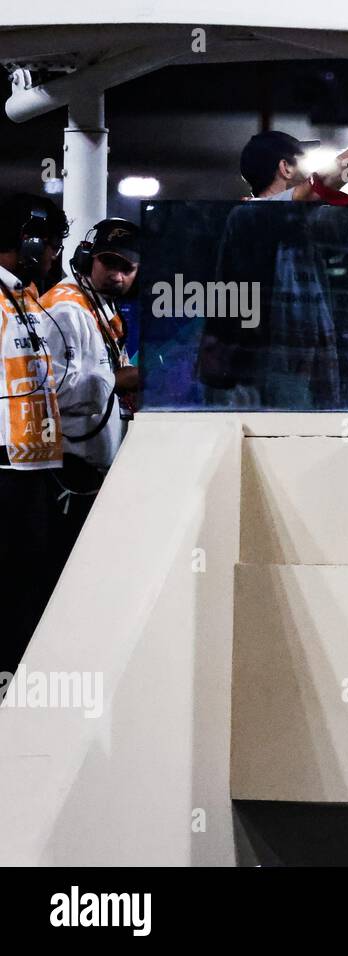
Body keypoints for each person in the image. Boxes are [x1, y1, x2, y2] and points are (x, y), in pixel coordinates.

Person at [39, 217, 141, 547]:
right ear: (86, 259)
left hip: (91, 472)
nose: (117, 275)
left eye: (126, 268)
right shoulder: (67, 310)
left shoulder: (100, 306)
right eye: (108, 262)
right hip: (68, 474)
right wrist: (116, 380)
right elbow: (54, 393)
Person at [0, 193, 69, 677]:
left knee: (31, 581)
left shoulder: (24, 297)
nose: (53, 256)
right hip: (4, 466)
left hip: (36, 465)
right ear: (26, 243)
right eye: (49, 245)